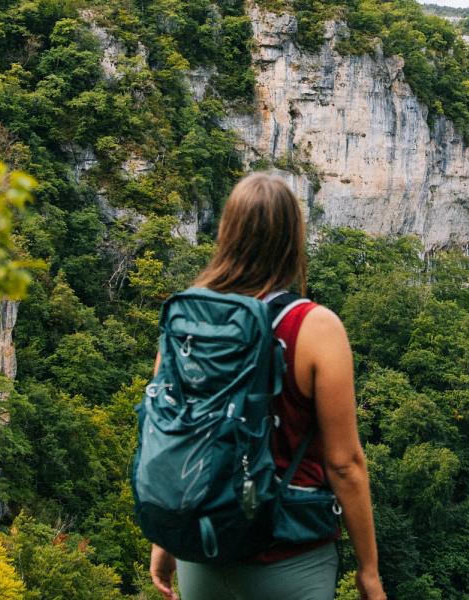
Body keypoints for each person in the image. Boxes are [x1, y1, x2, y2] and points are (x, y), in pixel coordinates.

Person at [148, 173, 386, 600]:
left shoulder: (186, 322)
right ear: (293, 240)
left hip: (204, 552)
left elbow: (175, 438)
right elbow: (345, 464)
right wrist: (368, 571)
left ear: (226, 232)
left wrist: (165, 540)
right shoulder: (315, 327)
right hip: (291, 555)